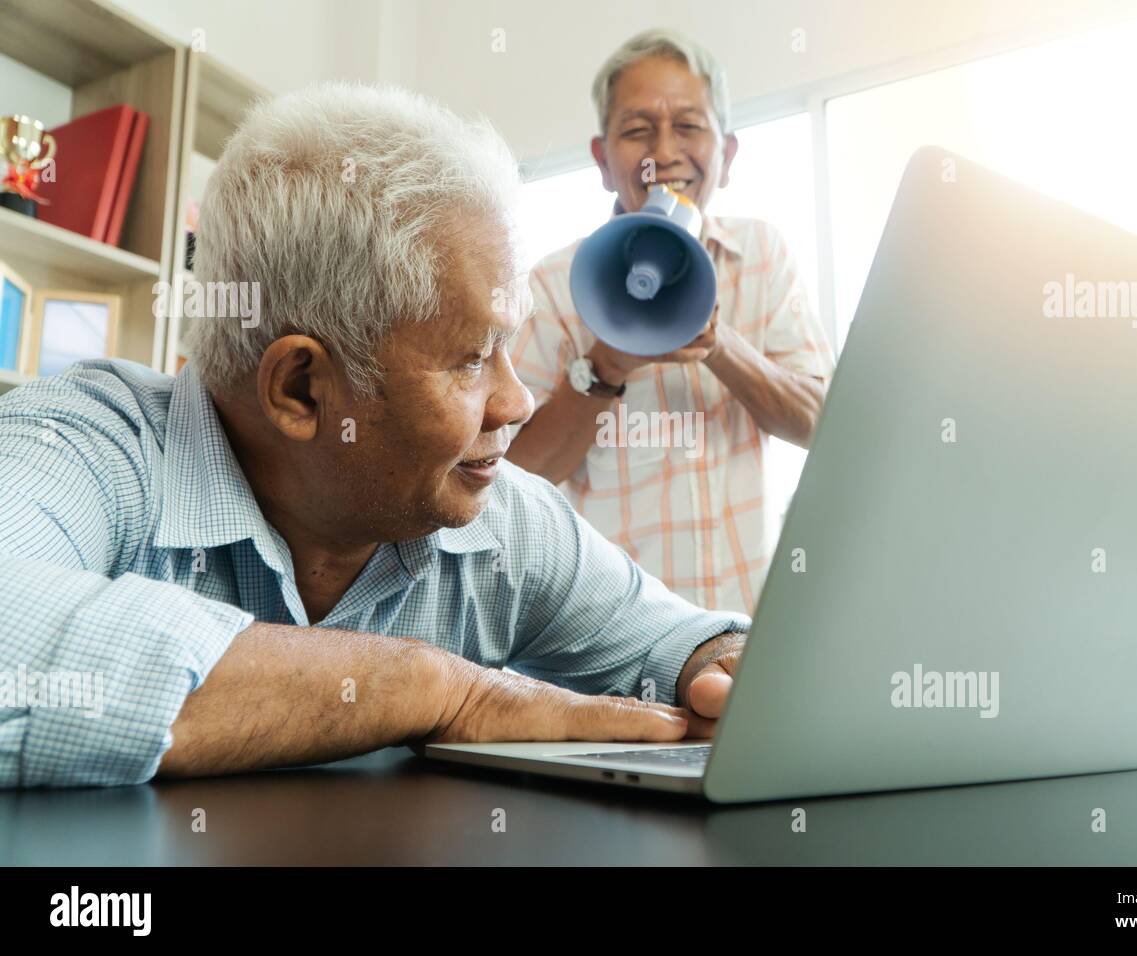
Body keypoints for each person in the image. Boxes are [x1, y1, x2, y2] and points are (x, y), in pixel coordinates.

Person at [0, 83, 748, 789]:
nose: (516, 401)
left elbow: (686, 645)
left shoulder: (505, 520)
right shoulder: (84, 442)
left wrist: (723, 664)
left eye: (506, 347)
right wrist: (433, 689)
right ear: (300, 387)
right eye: (468, 359)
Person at [508, 29, 835, 615]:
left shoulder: (761, 255)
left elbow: (821, 423)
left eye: (688, 125)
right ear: (603, 161)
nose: (664, 151)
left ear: (726, 156)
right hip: (608, 638)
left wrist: (718, 343)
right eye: (636, 131)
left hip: (744, 624)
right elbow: (514, 478)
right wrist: (602, 367)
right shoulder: (555, 285)